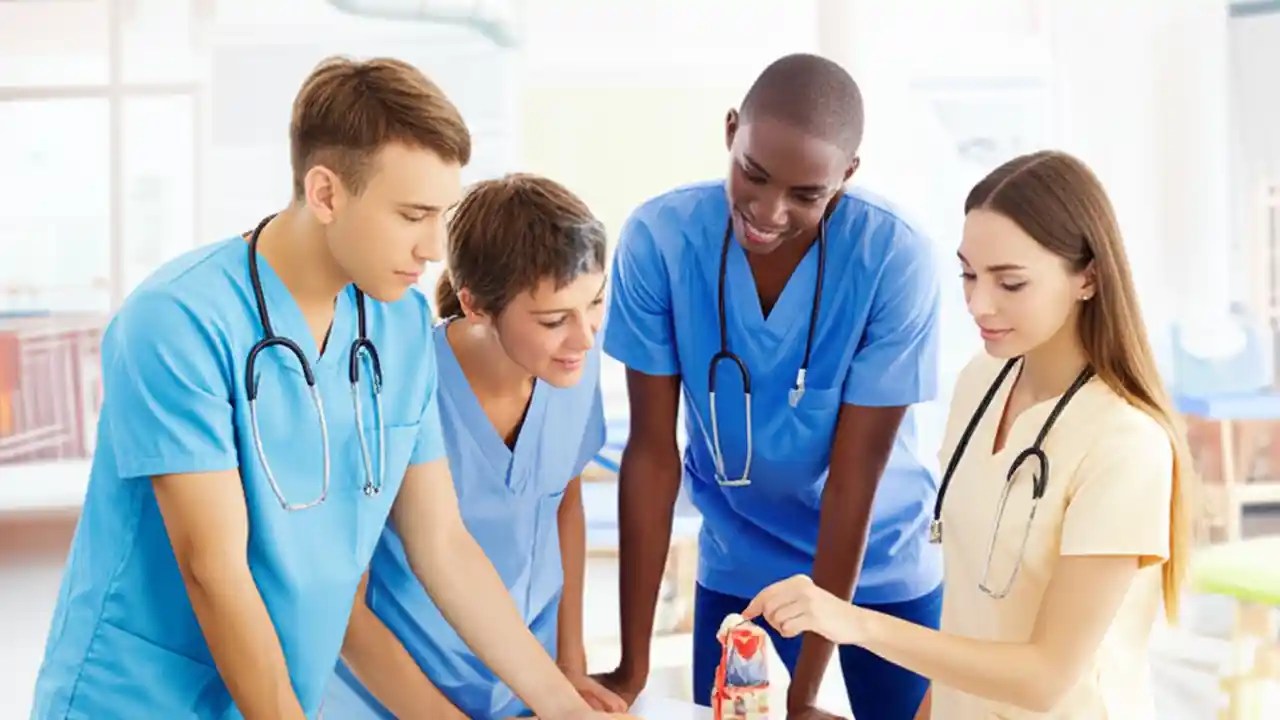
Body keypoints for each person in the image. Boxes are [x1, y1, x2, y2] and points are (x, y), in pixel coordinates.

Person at [29, 57, 623, 720]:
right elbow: (212, 569)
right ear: (326, 194)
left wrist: (561, 705)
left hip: (286, 689)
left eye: (443, 214)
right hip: (138, 699)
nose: (434, 248)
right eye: (412, 214)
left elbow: (441, 543)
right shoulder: (175, 322)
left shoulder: (396, 324)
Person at [744, 149, 1194, 719]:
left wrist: (851, 620)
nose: (979, 305)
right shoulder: (981, 383)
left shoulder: (1126, 445)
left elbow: (1045, 679)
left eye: (1010, 283)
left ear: (1088, 278)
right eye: (969, 274)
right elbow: (970, 616)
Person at [596, 53, 944, 720]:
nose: (768, 209)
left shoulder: (893, 258)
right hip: (741, 558)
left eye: (807, 194)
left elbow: (854, 481)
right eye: (753, 174)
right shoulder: (661, 241)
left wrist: (804, 697)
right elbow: (651, 453)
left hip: (878, 555)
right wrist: (632, 667)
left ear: (846, 177)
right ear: (731, 132)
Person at [322, 173, 628, 719]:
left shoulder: (572, 358)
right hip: (393, 696)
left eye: (596, 302)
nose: (584, 336)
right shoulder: (400, 382)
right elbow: (340, 607)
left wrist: (568, 669)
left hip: (525, 687)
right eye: (554, 319)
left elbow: (565, 502)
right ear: (476, 305)